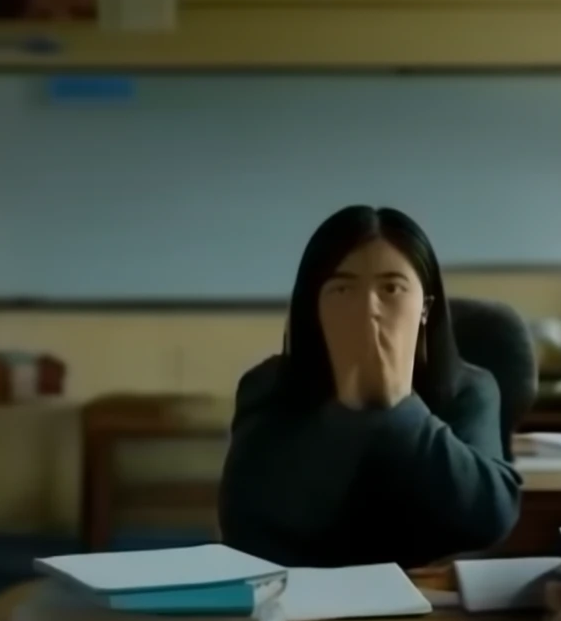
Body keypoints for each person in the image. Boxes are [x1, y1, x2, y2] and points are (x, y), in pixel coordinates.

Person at [218, 205, 522, 568]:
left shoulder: (468, 388)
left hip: (430, 602)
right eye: (343, 289)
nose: (369, 309)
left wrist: (400, 406)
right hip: (301, 597)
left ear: (425, 307)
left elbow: (490, 520)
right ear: (314, 308)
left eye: (391, 288)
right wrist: (347, 413)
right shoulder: (268, 386)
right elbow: (246, 529)